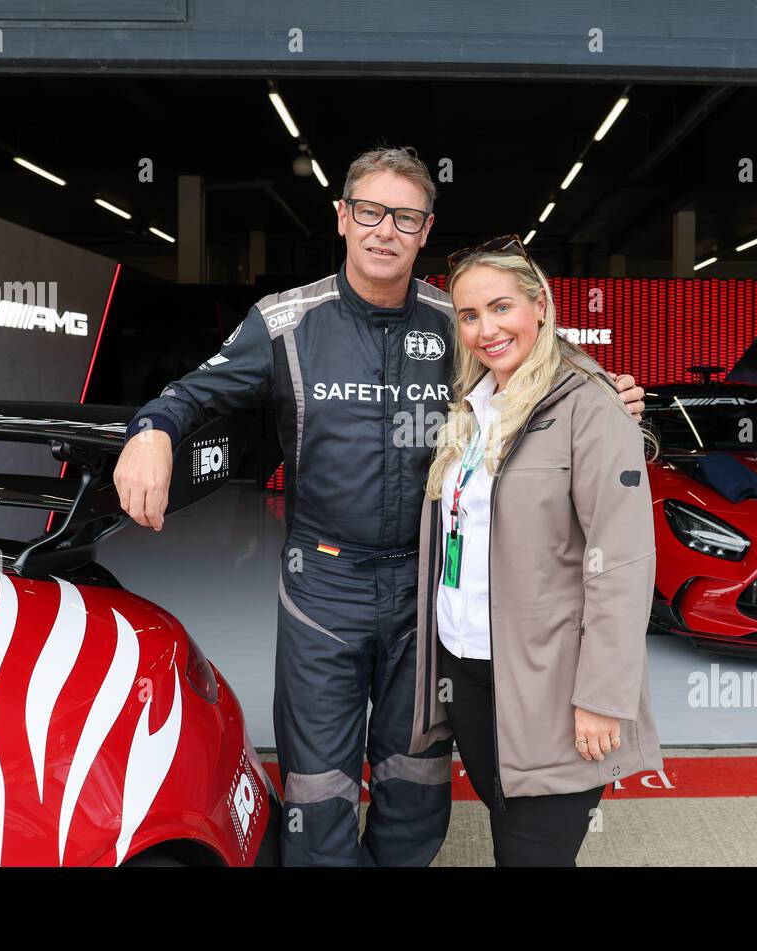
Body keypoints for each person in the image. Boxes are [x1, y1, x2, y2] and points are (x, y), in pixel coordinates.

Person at [112, 147, 646, 866]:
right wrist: (151, 432)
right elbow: (192, 393)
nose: (384, 230)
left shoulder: (455, 323)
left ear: (425, 230)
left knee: (416, 774)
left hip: (425, 594)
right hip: (321, 587)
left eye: (405, 216)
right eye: (369, 211)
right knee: (319, 781)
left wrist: (613, 393)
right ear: (342, 217)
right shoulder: (284, 322)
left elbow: (544, 368)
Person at [408, 236, 661, 866]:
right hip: (469, 672)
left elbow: (622, 562)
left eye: (501, 308)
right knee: (509, 835)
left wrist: (603, 697)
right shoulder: (474, 409)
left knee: (532, 855)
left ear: (540, 306)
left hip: (553, 685)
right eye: (469, 316)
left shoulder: (590, 406)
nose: (486, 329)